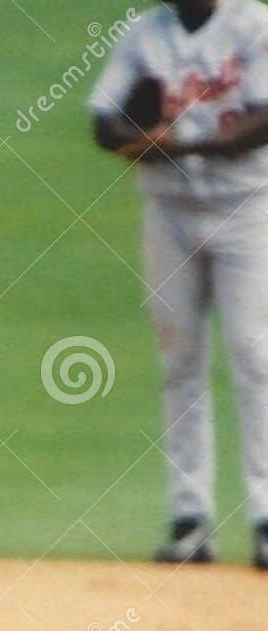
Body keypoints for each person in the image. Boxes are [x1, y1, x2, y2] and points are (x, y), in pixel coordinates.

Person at [89, 0, 268, 567]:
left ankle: (266, 520)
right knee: (180, 360)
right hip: (169, 213)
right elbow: (102, 120)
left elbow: (262, 123)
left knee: (255, 356)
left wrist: (180, 145)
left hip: (247, 208)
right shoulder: (145, 34)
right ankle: (190, 521)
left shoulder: (254, 26)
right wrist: (133, 136)